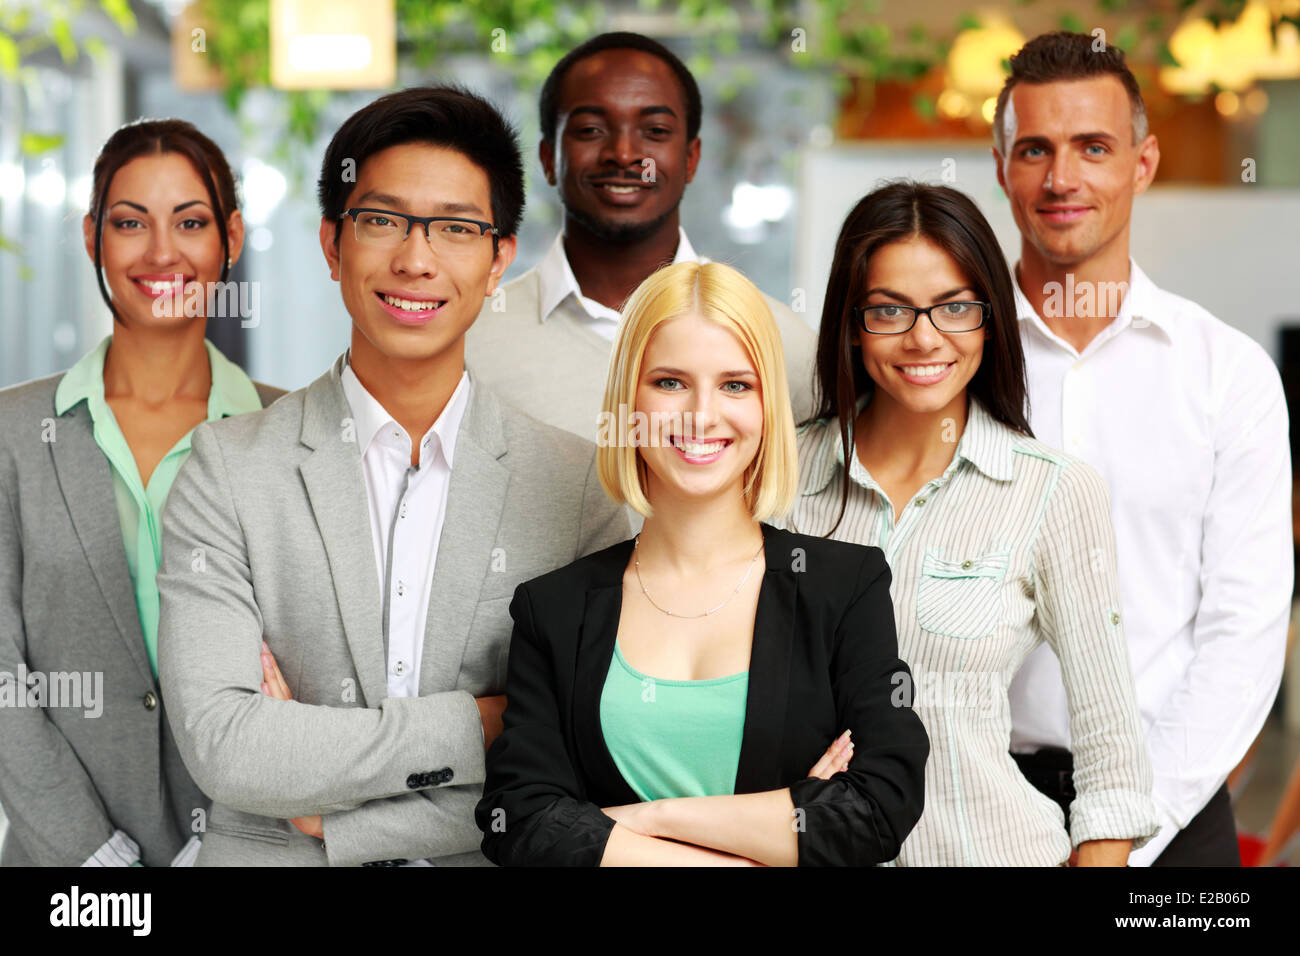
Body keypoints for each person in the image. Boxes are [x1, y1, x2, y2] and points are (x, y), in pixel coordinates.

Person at [155, 85, 629, 866]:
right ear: (333, 244)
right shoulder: (226, 470)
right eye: (381, 221)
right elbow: (229, 746)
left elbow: (590, 757)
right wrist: (485, 722)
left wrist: (339, 821)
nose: (416, 258)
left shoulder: (579, 488)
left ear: (498, 260)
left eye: (455, 228)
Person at [476, 260, 928, 866]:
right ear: (627, 399)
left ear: (769, 408)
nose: (701, 414)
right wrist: (771, 826)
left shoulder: (845, 588)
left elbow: (876, 807)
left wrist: (649, 819)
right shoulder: (553, 609)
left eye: (736, 385)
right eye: (669, 382)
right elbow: (524, 824)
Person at [783, 181, 1157, 865]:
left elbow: (1112, 757)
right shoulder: (777, 478)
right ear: (849, 319)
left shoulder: (1053, 491)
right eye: (889, 310)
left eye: (954, 307)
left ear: (989, 316)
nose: (924, 338)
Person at [993, 32, 1292, 866]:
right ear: (999, 165)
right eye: (1035, 150)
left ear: (1143, 162)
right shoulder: (946, 364)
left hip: (1175, 817)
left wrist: (1126, 829)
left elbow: (1244, 629)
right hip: (973, 810)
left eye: (1094, 147)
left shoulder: (1226, 375)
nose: (1062, 179)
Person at [0, 118, 284, 866]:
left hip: (257, 850)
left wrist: (235, 837)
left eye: (190, 223)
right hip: (60, 864)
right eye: (130, 223)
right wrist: (85, 849)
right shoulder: (11, 434)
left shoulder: (292, 430)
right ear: (93, 235)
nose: (162, 253)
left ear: (232, 236)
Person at [465, 31, 817, 443]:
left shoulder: (780, 341)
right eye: (591, 130)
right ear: (548, 159)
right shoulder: (471, 344)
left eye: (654, 131)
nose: (625, 154)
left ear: (690, 159)